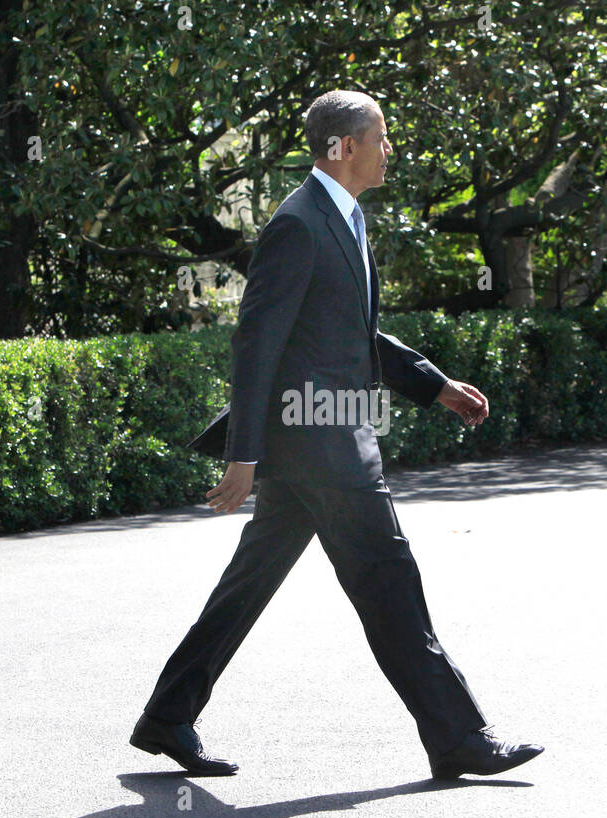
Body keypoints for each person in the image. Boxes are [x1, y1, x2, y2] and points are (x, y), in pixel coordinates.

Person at [131, 89, 542, 780]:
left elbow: (347, 333)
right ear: (343, 147)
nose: (391, 148)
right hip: (321, 443)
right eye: (382, 136)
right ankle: (459, 737)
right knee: (390, 581)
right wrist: (243, 458)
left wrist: (432, 384)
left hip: (313, 446)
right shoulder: (298, 223)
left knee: (249, 584)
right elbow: (256, 343)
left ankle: (168, 715)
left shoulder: (340, 217)